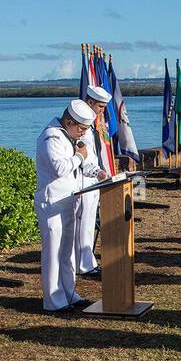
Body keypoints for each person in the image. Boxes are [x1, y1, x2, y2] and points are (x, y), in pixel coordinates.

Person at [34, 98, 100, 312]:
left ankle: (69, 293)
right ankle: (53, 300)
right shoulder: (51, 136)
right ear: (69, 122)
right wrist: (80, 157)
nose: (83, 133)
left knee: (67, 252)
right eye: (81, 128)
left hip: (68, 201)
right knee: (53, 252)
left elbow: (80, 165)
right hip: (52, 203)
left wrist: (97, 172)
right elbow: (60, 167)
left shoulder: (68, 136)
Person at [76, 85, 114, 278]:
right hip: (83, 181)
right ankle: (84, 264)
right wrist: (98, 172)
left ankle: (87, 260)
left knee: (90, 223)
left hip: (93, 181)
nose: (102, 111)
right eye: (100, 107)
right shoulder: (80, 127)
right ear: (90, 103)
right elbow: (82, 157)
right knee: (84, 224)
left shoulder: (91, 126)